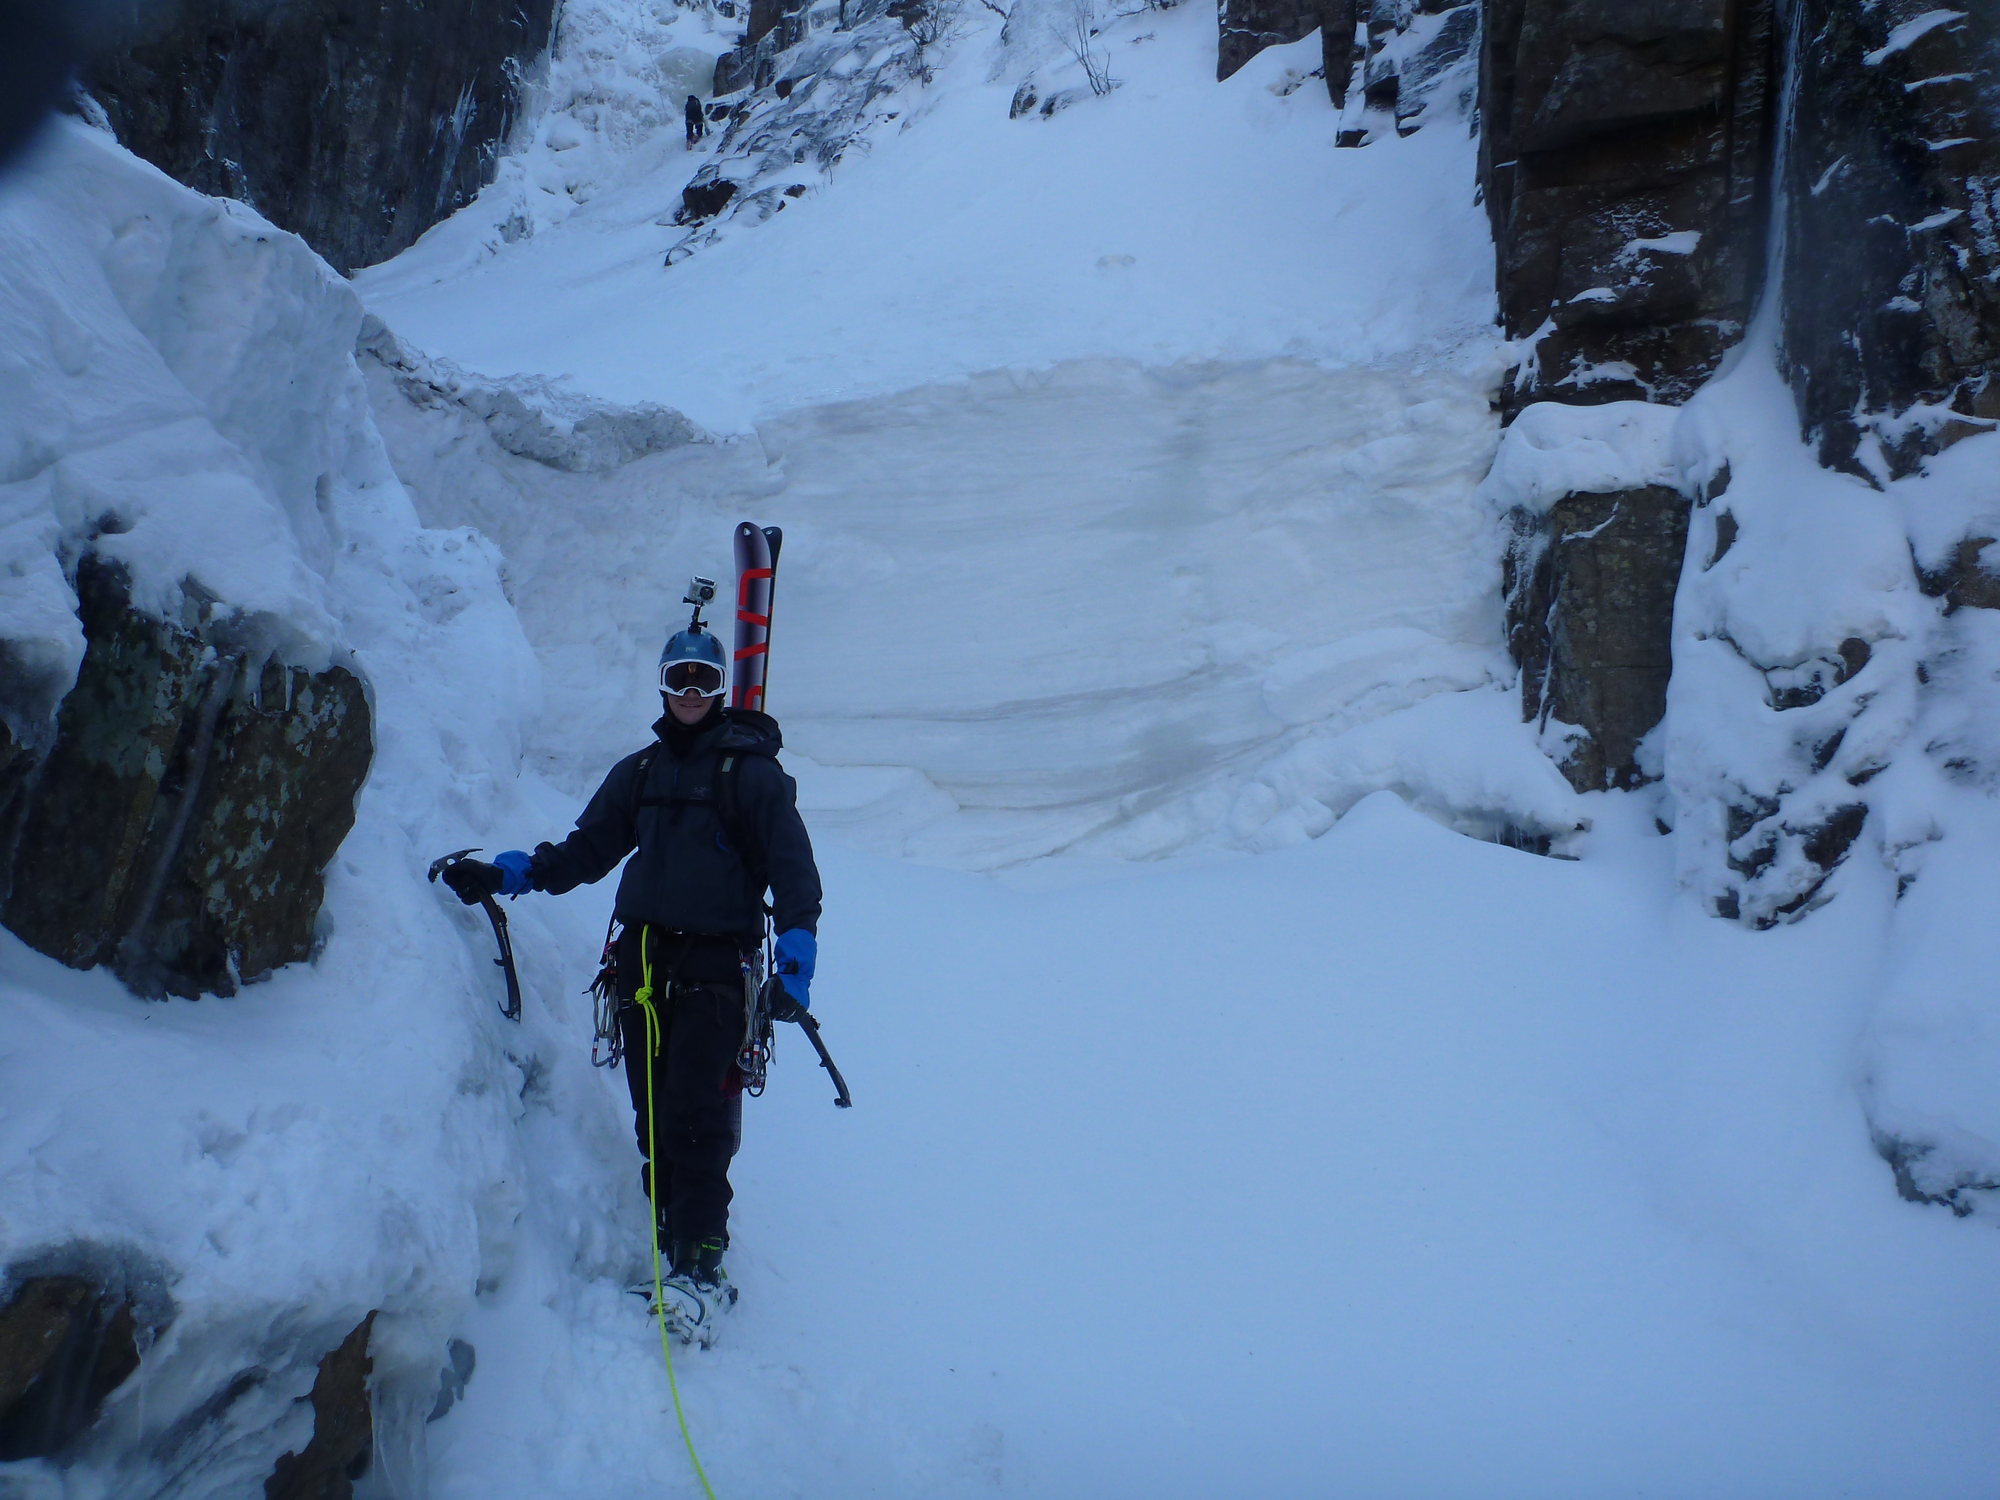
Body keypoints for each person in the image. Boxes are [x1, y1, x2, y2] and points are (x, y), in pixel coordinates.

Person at [441, 619, 821, 1339]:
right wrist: (506, 873)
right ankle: (671, 1242)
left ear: (720, 689)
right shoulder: (640, 774)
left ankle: (701, 1269)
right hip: (642, 963)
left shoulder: (753, 776)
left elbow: (797, 879)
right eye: (678, 676)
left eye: (702, 679)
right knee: (654, 1114)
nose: (689, 691)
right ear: (661, 682)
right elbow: (586, 850)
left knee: (696, 1117)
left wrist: (796, 970)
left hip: (716, 969)